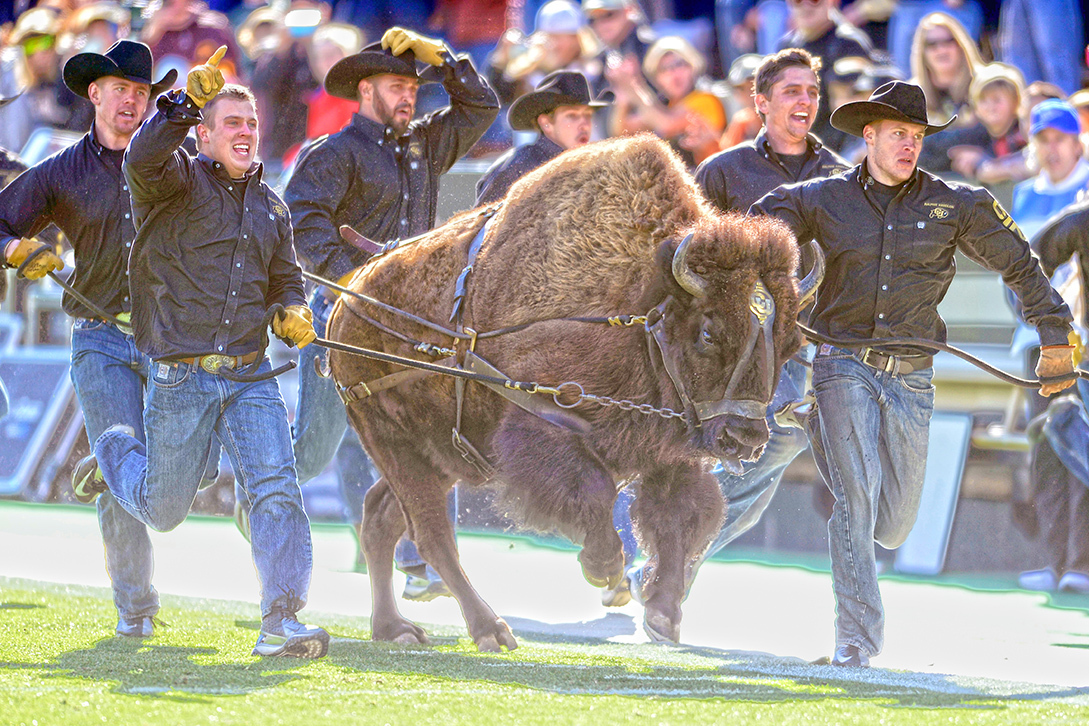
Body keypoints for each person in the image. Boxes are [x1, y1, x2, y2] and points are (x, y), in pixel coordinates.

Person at [752, 80, 1075, 666]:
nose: (909, 145)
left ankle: (817, 427)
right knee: (855, 497)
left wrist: (1055, 334)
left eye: (918, 136)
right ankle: (856, 640)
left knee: (894, 525)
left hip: (913, 378)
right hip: (841, 364)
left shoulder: (960, 203)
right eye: (898, 133)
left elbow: (1022, 264)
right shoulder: (819, 199)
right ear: (868, 135)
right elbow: (759, 229)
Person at [72, 47, 329, 658]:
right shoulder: (173, 181)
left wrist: (292, 309)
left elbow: (285, 278)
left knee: (275, 488)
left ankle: (281, 621)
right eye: (232, 124)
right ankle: (114, 455)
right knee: (163, 511)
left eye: (252, 124)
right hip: (180, 378)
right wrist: (182, 104)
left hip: (250, 374)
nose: (245, 133)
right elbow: (143, 152)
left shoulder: (272, 206)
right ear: (206, 137)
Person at [620, 48, 848, 607]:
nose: (805, 100)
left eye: (812, 91)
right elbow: (681, 250)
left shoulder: (840, 177)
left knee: (775, 443)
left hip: (800, 343)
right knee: (753, 449)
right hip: (724, 347)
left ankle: (668, 562)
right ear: (761, 102)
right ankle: (667, 562)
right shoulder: (724, 171)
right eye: (791, 90)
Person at [283, 28, 500, 601]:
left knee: (430, 435)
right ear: (365, 90)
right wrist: (357, 288)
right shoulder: (331, 153)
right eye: (397, 86)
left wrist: (445, 59)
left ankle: (421, 561)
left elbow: (482, 105)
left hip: (412, 327)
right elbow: (303, 228)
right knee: (314, 448)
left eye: (413, 86)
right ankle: (260, 492)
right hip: (343, 317)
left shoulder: (427, 144)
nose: (409, 96)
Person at [0, 40, 177, 639]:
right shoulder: (57, 173)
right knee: (124, 448)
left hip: (170, 336)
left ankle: (107, 468)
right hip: (99, 336)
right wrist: (13, 248)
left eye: (141, 92)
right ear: (94, 94)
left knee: (189, 462)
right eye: (120, 89)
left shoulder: (178, 164)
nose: (131, 100)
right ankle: (136, 609)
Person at [1018, 198, 1089, 595]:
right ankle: (1065, 562)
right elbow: (1030, 259)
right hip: (1079, 356)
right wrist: (1046, 319)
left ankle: (1080, 564)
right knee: (1060, 452)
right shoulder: (1083, 220)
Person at [476, 70, 607, 205]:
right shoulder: (519, 167)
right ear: (546, 123)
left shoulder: (591, 166)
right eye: (572, 116)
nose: (584, 125)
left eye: (587, 115)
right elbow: (481, 222)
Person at [609, 36, 726, 167]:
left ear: (692, 67)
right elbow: (621, 131)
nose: (674, 74)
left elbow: (667, 124)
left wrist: (635, 89)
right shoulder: (664, 107)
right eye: (664, 69)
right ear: (656, 79)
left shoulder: (705, 98)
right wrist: (624, 95)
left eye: (679, 64)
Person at [776, 0, 874, 152]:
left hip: (839, 152)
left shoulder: (848, 43)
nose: (805, 5)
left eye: (814, 0)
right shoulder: (786, 47)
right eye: (797, 0)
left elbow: (855, 114)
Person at [1011, 100, 1089, 242]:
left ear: (1077, 144)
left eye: (1059, 139)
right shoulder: (1023, 193)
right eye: (1044, 140)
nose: (1051, 149)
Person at [907, 13, 982, 131]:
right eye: (932, 44)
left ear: (961, 45)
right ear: (922, 52)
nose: (941, 50)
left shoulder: (984, 86)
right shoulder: (910, 97)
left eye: (948, 41)